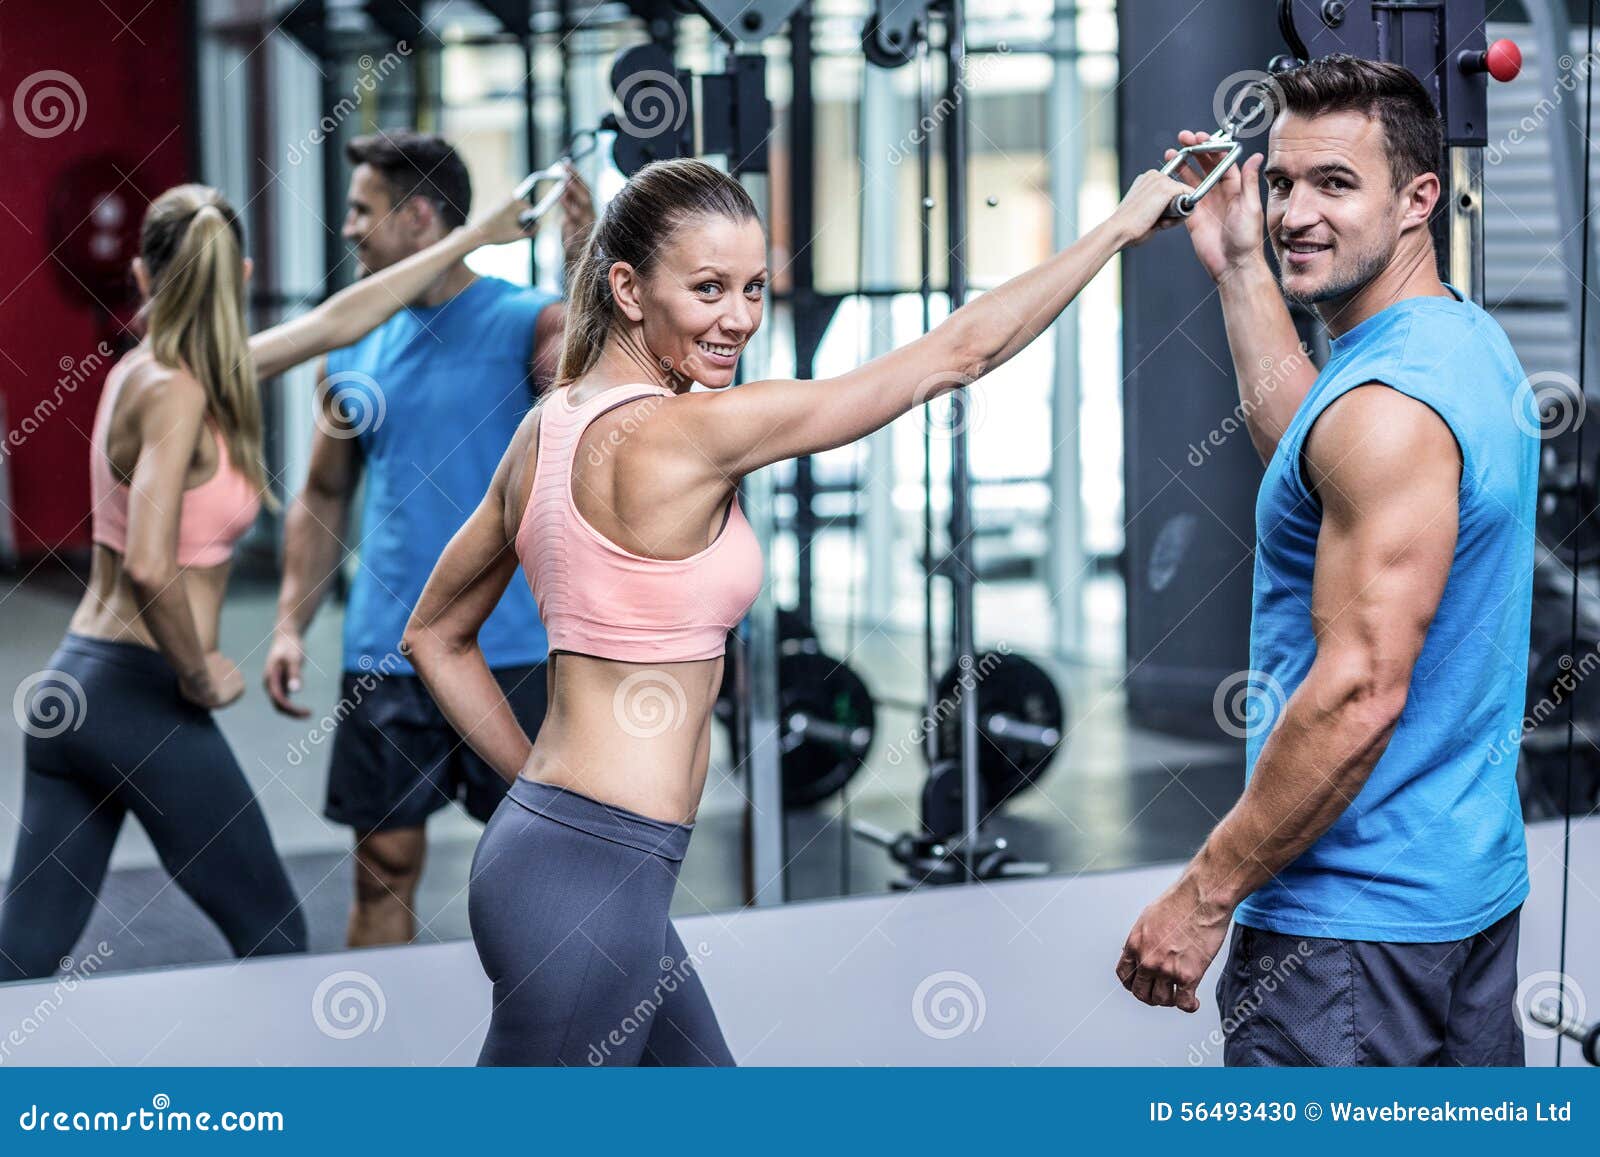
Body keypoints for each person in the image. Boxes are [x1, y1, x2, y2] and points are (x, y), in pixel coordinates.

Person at [401, 156, 1185, 1065]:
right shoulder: (695, 432)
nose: (738, 317)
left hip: (569, 860)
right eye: (707, 289)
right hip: (593, 883)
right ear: (625, 287)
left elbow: (433, 633)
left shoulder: (548, 427)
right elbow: (958, 354)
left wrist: (536, 791)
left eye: (753, 288)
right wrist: (1119, 226)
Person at [0, 180, 546, 981]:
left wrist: (476, 235)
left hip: (75, 689)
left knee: (24, 951)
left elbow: (342, 318)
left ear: (147, 278)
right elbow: (151, 562)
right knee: (275, 940)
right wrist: (200, 670)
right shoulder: (181, 390)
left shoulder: (157, 373)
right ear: (243, 273)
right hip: (140, 693)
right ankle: (297, 1106)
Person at [1116, 55, 1536, 1067]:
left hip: (1347, 929)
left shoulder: (1386, 409)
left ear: (1416, 199)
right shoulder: (1454, 346)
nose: (1295, 211)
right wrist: (1239, 270)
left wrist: (1203, 891)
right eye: (1283, 182)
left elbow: (1355, 695)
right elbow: (1314, 460)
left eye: (1335, 184)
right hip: (1458, 895)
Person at [263, 132, 593, 949]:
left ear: (419, 219)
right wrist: (288, 622)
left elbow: (604, 393)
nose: (346, 228)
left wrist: (586, 256)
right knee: (383, 864)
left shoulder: (529, 322)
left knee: (544, 867)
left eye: (360, 211)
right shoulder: (346, 345)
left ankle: (554, 1055)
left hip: (511, 644)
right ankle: (379, 1068)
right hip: (387, 649)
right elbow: (325, 491)